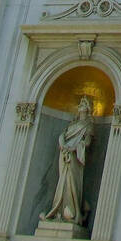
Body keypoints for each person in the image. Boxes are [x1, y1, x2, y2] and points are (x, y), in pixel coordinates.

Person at [42, 97, 94, 226]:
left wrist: (75, 147)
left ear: (88, 108)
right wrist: (63, 144)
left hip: (75, 156)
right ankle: (58, 211)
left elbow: (87, 142)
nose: (81, 105)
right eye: (80, 103)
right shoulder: (72, 124)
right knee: (63, 181)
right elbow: (63, 135)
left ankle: (73, 213)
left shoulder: (88, 125)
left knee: (72, 182)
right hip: (65, 153)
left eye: (84, 103)